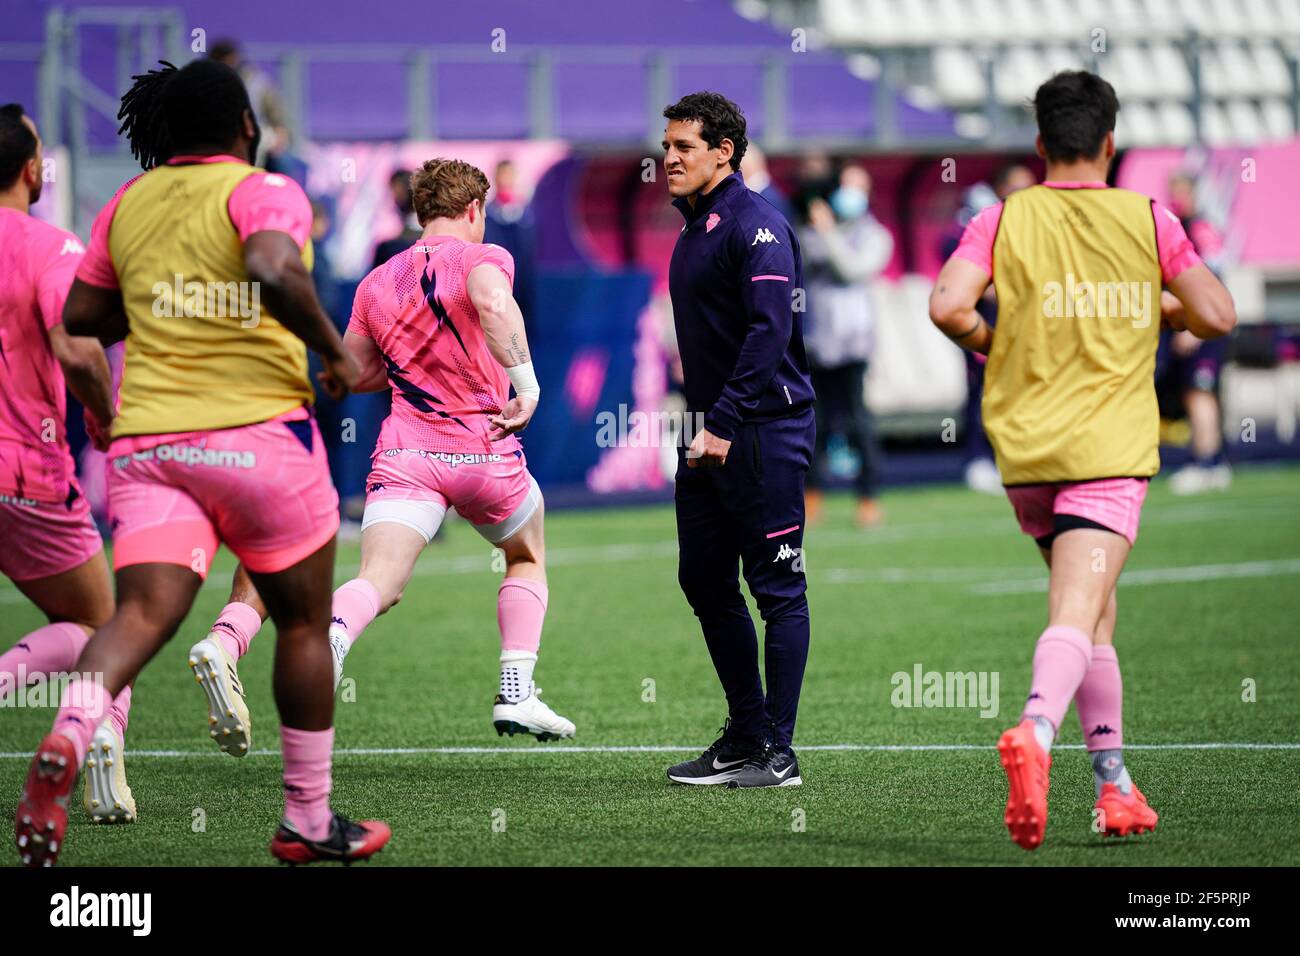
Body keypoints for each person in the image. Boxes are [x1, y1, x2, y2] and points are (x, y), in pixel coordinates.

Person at [12, 59, 390, 867]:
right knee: (300, 623)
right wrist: (333, 351)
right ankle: (307, 819)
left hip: (151, 448)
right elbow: (271, 266)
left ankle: (70, 732)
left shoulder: (127, 203)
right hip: (260, 439)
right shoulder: (263, 189)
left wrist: (164, 301)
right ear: (246, 128)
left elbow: (84, 313)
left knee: (135, 618)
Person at [930, 70, 1236, 850]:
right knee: (1076, 609)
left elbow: (948, 306)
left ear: (1040, 144)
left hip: (1026, 449)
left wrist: (997, 344)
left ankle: (1115, 786)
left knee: (1096, 610)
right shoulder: (1147, 217)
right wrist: (1161, 310)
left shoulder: (1002, 217)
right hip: (1105, 448)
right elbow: (1217, 314)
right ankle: (1035, 730)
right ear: (1109, 142)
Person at [326, 157, 574, 741]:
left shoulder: (377, 280)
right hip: (485, 451)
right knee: (526, 554)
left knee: (379, 580)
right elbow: (493, 302)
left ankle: (332, 638)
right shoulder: (484, 256)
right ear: (474, 208)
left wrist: (409, 359)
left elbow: (352, 374)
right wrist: (528, 387)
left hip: (408, 455)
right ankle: (516, 690)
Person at [660, 92, 816, 788]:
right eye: (666, 147)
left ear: (724, 151)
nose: (669, 159)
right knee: (703, 579)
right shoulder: (696, 228)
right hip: (708, 430)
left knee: (777, 587)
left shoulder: (758, 225)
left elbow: (769, 330)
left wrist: (723, 421)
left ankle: (778, 752)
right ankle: (746, 734)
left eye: (683, 147)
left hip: (760, 428)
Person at [0, 103, 136, 826]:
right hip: (25, 471)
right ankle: (95, 749)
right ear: (32, 171)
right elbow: (77, 347)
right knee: (106, 628)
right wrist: (103, 416)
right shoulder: (51, 245)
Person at [801, 163, 893, 527]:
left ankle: (868, 497)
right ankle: (811, 495)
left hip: (854, 345)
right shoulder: (814, 229)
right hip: (818, 342)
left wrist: (827, 233)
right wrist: (819, 230)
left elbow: (850, 269)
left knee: (858, 421)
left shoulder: (876, 235)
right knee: (815, 423)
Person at [1161, 171, 1233, 495]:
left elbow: (1214, 280)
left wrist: (1195, 327)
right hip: (1193, 324)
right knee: (1194, 393)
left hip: (1204, 327)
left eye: (1180, 192)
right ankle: (1211, 460)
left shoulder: (1201, 229)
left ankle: (1206, 463)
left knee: (1199, 392)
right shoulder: (1180, 228)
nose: (1176, 199)